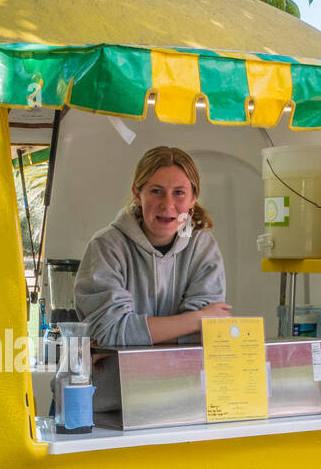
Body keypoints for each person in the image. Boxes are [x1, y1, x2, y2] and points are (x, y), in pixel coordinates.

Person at [74, 146, 231, 347]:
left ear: (193, 198)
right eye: (156, 191)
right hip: (119, 378)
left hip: (185, 375)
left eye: (179, 193)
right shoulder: (106, 247)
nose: (167, 205)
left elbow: (208, 335)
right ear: (138, 194)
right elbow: (110, 331)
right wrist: (197, 320)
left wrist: (126, 339)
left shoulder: (202, 246)